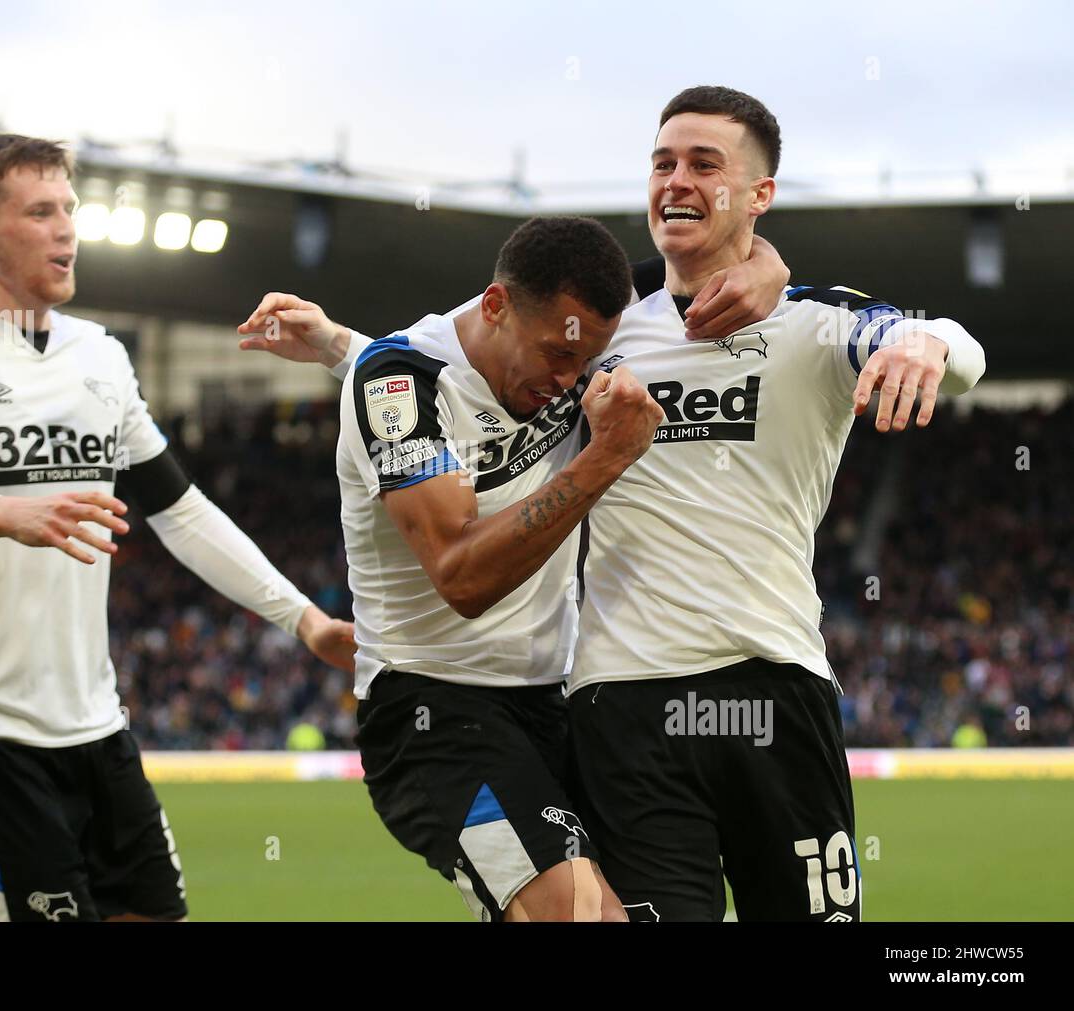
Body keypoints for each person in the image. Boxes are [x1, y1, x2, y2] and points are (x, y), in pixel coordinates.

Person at [241, 86, 986, 923]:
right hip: (623, 703)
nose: (677, 179)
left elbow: (946, 347)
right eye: (663, 161)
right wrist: (355, 352)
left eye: (706, 164)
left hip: (775, 689)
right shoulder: (603, 329)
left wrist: (930, 340)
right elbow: (471, 360)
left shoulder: (810, 322)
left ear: (759, 195)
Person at [0, 133, 355, 922]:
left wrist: (305, 618)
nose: (66, 229)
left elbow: (180, 511)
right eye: (39, 212)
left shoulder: (101, 357)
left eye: (70, 209)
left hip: (95, 724)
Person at [239, 217, 789, 920]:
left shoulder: (571, 327)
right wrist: (606, 456)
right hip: (434, 720)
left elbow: (718, 267)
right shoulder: (399, 381)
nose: (568, 380)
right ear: (496, 305)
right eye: (555, 357)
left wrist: (767, 264)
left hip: (563, 701)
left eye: (586, 358)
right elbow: (463, 576)